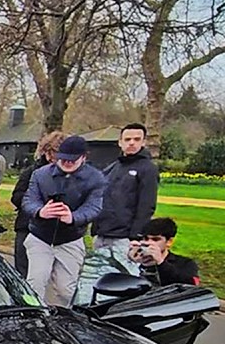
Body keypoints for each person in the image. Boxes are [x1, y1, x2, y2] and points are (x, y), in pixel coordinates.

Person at [22, 135, 106, 307]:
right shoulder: (40, 174)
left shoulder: (95, 178)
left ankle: (66, 320)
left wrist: (73, 217)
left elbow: (94, 207)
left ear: (84, 158)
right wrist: (40, 211)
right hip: (40, 236)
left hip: (71, 239)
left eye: (72, 160)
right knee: (35, 283)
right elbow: (28, 200)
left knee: (66, 290)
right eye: (63, 159)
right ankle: (33, 317)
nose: (67, 163)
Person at [93, 123, 159, 264]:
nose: (131, 143)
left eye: (136, 139)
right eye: (128, 139)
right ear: (120, 142)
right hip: (102, 235)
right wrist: (95, 228)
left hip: (125, 239)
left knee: (123, 280)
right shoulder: (112, 168)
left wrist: (136, 236)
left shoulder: (148, 169)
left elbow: (146, 205)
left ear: (143, 142)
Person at [11, 131, 67, 277]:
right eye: (52, 154)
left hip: (59, 232)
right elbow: (17, 196)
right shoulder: (32, 172)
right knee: (24, 273)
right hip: (28, 227)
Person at [128, 217, 200, 286]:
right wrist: (132, 263)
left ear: (169, 242)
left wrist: (160, 262)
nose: (148, 243)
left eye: (155, 240)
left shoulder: (185, 263)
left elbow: (190, 285)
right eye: (145, 239)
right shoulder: (138, 259)